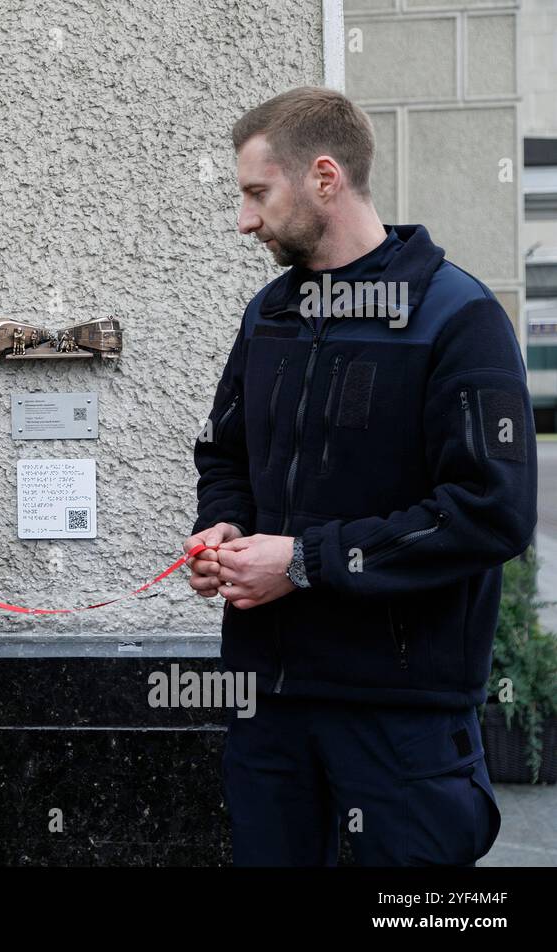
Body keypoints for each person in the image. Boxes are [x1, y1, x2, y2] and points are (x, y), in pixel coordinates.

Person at [186, 87, 537, 866]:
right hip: (267, 709)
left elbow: (492, 511)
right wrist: (229, 525)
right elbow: (225, 453)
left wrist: (304, 561)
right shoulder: (268, 316)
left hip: (399, 724)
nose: (244, 221)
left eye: (256, 193)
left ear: (322, 177)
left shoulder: (458, 317)